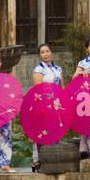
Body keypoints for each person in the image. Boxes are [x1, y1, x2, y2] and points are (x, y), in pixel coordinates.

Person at [30, 42, 64, 171]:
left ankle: (53, 159)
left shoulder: (58, 69)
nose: (45, 54)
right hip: (43, 103)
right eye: (42, 52)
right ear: (40, 55)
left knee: (55, 130)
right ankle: (38, 160)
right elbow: (38, 89)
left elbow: (62, 87)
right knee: (42, 131)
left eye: (47, 51)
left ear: (51, 53)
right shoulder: (39, 70)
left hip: (57, 104)